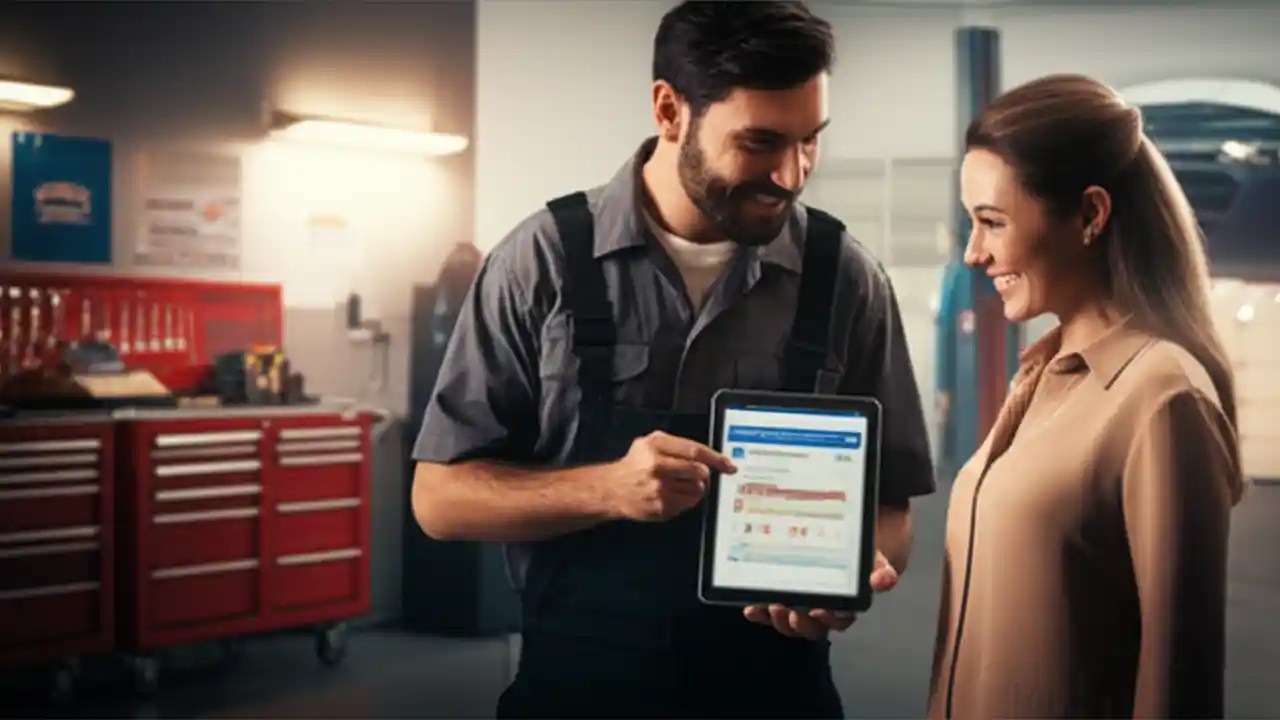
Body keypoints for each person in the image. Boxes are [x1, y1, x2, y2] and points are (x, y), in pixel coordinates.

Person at [411, 2, 936, 717]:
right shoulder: (541, 262)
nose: (792, 174)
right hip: (577, 690)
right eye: (760, 142)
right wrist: (607, 490)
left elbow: (892, 507)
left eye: (810, 140)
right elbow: (439, 499)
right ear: (669, 111)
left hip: (778, 696)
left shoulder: (845, 277)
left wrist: (854, 570)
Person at [927, 74, 1245, 720]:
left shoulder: (1163, 401)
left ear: (1090, 216)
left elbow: (1179, 690)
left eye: (992, 222)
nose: (974, 253)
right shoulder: (1041, 375)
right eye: (971, 223)